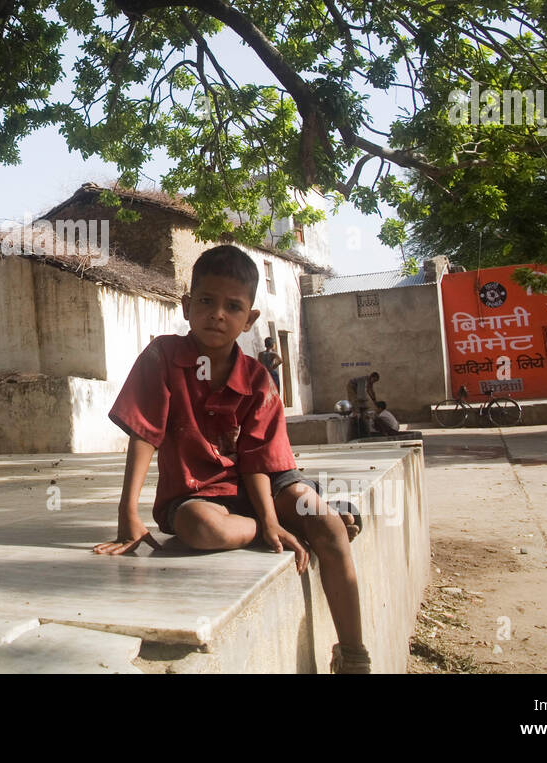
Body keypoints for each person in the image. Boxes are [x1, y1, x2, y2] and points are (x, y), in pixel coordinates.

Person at [94, 244, 370, 673]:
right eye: (206, 301)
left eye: (233, 306)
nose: (217, 314)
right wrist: (127, 511)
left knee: (329, 529)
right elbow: (144, 433)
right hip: (198, 491)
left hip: (266, 481)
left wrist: (274, 512)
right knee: (199, 529)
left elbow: (259, 460)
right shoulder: (162, 357)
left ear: (250, 319)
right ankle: (272, 525)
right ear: (187, 306)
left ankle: (353, 656)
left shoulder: (258, 380)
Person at [346, 371, 380, 435]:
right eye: (374, 380)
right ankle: (355, 413)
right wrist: (363, 401)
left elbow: (371, 391)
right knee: (355, 400)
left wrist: (374, 400)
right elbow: (361, 394)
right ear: (371, 377)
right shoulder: (363, 380)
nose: (374, 382)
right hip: (351, 386)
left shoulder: (370, 382)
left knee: (362, 402)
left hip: (357, 388)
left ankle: (360, 412)